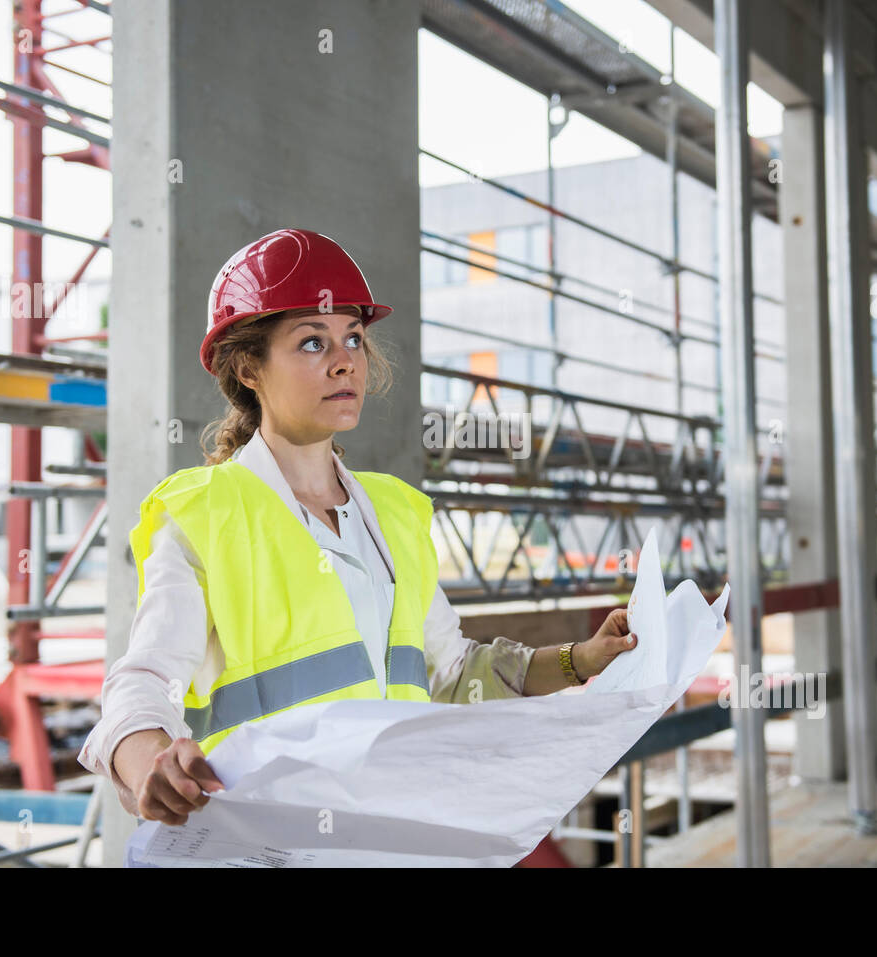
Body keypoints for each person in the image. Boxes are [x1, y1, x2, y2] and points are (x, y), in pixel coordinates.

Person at [78, 227, 640, 829]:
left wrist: (581, 659)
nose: (346, 359)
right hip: (268, 843)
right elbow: (143, 682)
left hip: (391, 834)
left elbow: (451, 675)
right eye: (313, 342)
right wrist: (147, 765)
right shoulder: (206, 517)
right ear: (248, 368)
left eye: (353, 338)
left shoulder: (394, 514)